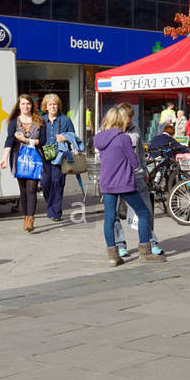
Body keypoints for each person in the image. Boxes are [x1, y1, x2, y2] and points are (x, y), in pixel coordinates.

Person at [94, 107, 164, 266]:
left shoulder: (98, 138)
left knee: (109, 218)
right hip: (124, 183)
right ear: (120, 120)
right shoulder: (123, 138)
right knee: (144, 213)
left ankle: (113, 256)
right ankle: (145, 252)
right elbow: (134, 162)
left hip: (106, 183)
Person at [0, 94, 45, 233]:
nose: (26, 106)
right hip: (18, 158)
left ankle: (30, 219)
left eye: (28, 104)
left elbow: (42, 141)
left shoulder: (40, 121)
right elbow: (9, 140)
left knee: (31, 189)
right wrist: (4, 158)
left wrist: (26, 140)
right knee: (23, 190)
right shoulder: (14, 121)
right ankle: (25, 217)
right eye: (23, 104)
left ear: (32, 106)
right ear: (19, 106)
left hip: (35, 158)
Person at [39, 94, 77, 223]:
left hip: (60, 157)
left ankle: (56, 212)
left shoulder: (65, 120)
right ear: (46, 107)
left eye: (55, 104)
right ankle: (51, 206)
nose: (53, 106)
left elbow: (74, 137)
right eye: (50, 104)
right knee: (45, 184)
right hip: (44, 156)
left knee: (57, 182)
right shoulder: (41, 120)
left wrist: (65, 138)